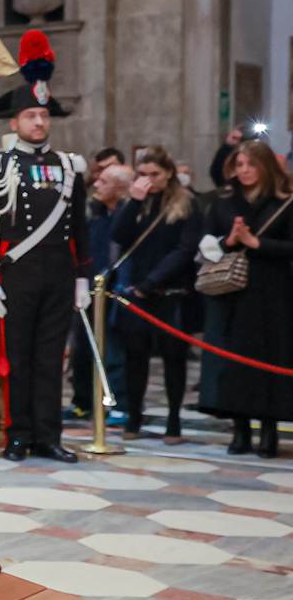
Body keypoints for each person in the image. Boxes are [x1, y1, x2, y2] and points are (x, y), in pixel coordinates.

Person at [0, 29, 89, 463]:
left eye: (44, 116)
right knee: (18, 357)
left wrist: (82, 277)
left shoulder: (69, 167)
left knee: (51, 359)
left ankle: (48, 436)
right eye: (31, 116)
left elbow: (80, 227)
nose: (39, 122)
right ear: (14, 122)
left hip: (58, 274)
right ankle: (18, 435)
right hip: (16, 275)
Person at [197, 138, 293, 457]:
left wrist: (257, 244)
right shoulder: (222, 202)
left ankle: (269, 431)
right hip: (231, 294)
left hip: (271, 295)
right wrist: (229, 241)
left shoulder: (285, 202)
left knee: (268, 362)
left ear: (265, 166)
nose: (245, 171)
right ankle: (239, 430)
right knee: (232, 364)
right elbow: (205, 247)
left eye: (252, 164)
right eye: (239, 165)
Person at [108, 147, 200, 441]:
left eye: (155, 174)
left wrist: (153, 281)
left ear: (169, 172)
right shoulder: (136, 202)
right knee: (136, 357)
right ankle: (134, 416)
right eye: (143, 174)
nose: (149, 180)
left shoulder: (187, 203)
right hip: (137, 292)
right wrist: (134, 202)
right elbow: (118, 236)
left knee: (174, 357)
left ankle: (174, 420)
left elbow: (185, 250)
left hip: (171, 291)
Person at [69, 163, 131, 420]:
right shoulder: (95, 214)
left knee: (113, 350)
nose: (96, 185)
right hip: (88, 287)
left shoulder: (126, 216)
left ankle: (118, 403)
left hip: (113, 291)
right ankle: (83, 402)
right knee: (81, 348)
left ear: (119, 188)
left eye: (103, 181)